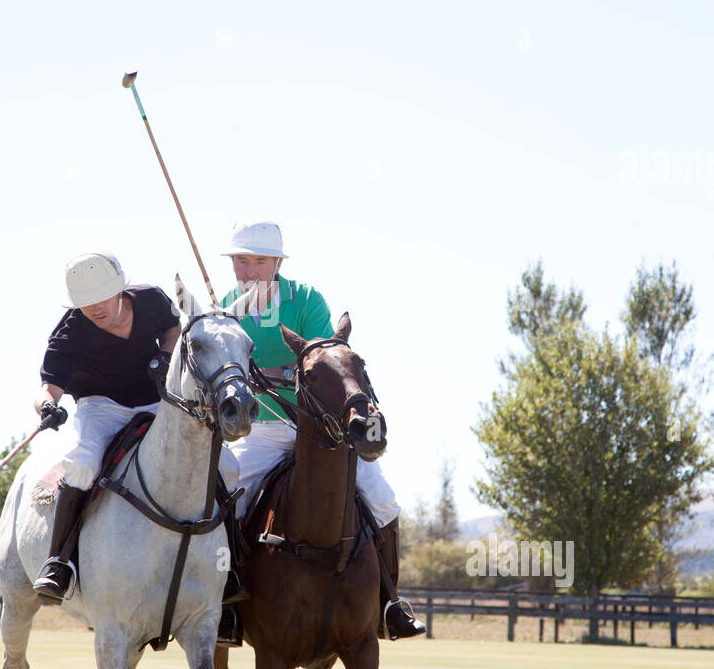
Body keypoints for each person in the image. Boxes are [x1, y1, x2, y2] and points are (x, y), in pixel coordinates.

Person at [219, 220, 424, 640]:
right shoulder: (226, 305)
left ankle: (390, 602)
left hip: (317, 428)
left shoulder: (307, 300)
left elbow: (321, 361)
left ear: (277, 263)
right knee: (229, 500)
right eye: (242, 261)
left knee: (383, 500)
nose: (250, 270)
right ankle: (227, 600)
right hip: (260, 431)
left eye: (259, 261)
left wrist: (266, 372)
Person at [32, 251, 180, 603]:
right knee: (82, 462)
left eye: (101, 298)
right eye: (85, 303)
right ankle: (58, 563)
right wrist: (49, 407)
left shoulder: (151, 299)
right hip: (102, 407)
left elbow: (173, 326)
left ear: (120, 290)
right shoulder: (69, 334)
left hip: (156, 400)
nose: (95, 309)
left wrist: (165, 354)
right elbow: (47, 387)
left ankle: (231, 565)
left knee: (219, 462)